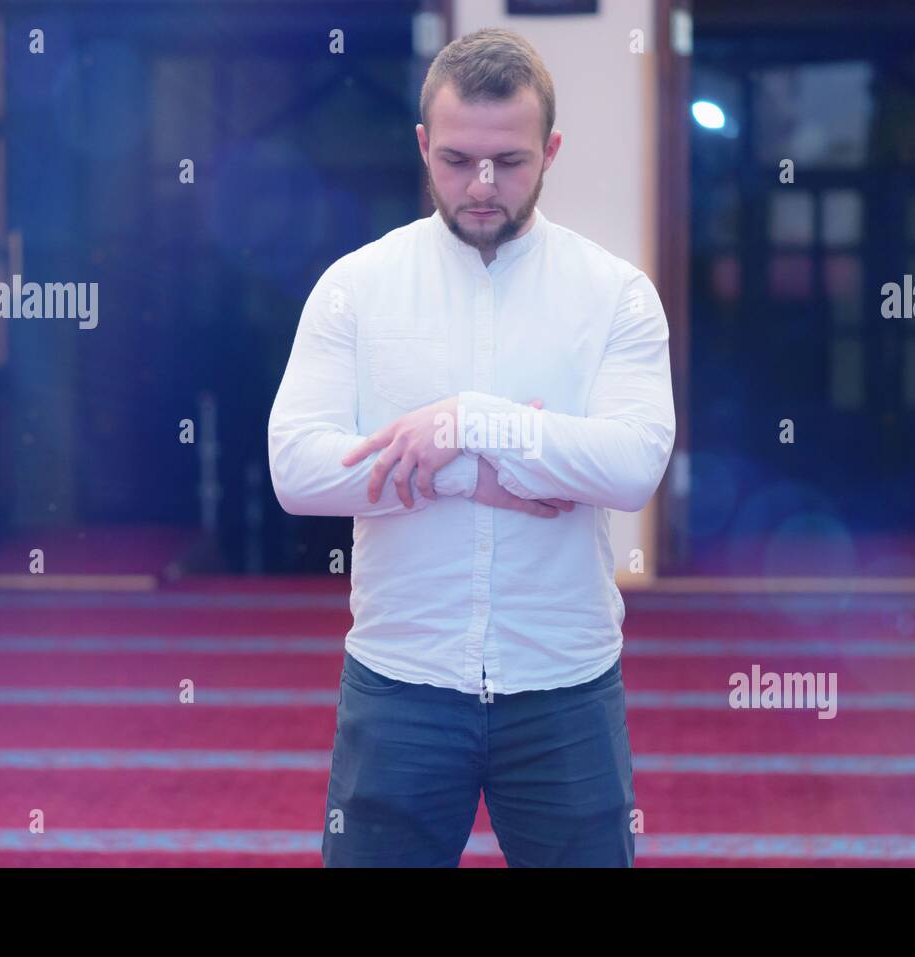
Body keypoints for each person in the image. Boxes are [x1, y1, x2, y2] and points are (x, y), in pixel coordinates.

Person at [267, 27, 675, 867]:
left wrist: (468, 417)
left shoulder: (616, 297)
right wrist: (469, 473)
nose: (482, 185)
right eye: (456, 159)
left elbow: (633, 463)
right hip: (400, 681)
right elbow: (299, 468)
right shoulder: (357, 288)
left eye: (510, 161)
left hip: (564, 683)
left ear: (552, 149)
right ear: (422, 144)